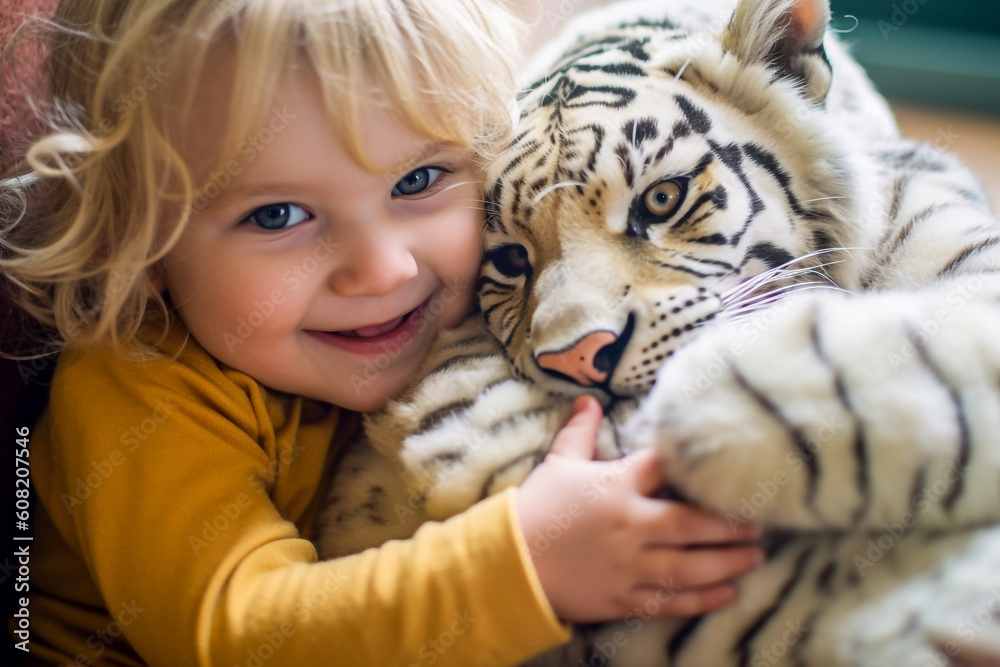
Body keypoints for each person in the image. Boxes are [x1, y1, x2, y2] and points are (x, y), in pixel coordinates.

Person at [0, 0, 764, 664]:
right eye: (278, 215)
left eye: (419, 180)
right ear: (145, 245)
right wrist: (530, 557)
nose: (383, 268)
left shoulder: (490, 294)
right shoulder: (137, 386)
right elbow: (242, 637)